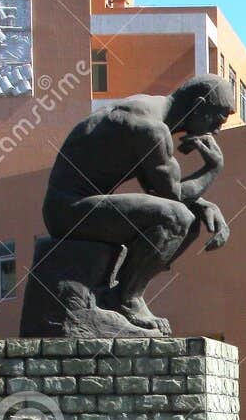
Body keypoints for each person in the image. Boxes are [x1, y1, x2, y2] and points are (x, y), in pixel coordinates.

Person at [38, 74, 235, 333]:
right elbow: (172, 196)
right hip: (68, 210)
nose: (217, 130)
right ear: (198, 105)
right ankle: (126, 299)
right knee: (177, 218)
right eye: (217, 119)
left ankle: (121, 290)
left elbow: (158, 189)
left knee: (186, 217)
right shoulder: (151, 128)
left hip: (77, 204)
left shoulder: (147, 110)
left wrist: (203, 204)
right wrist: (213, 168)